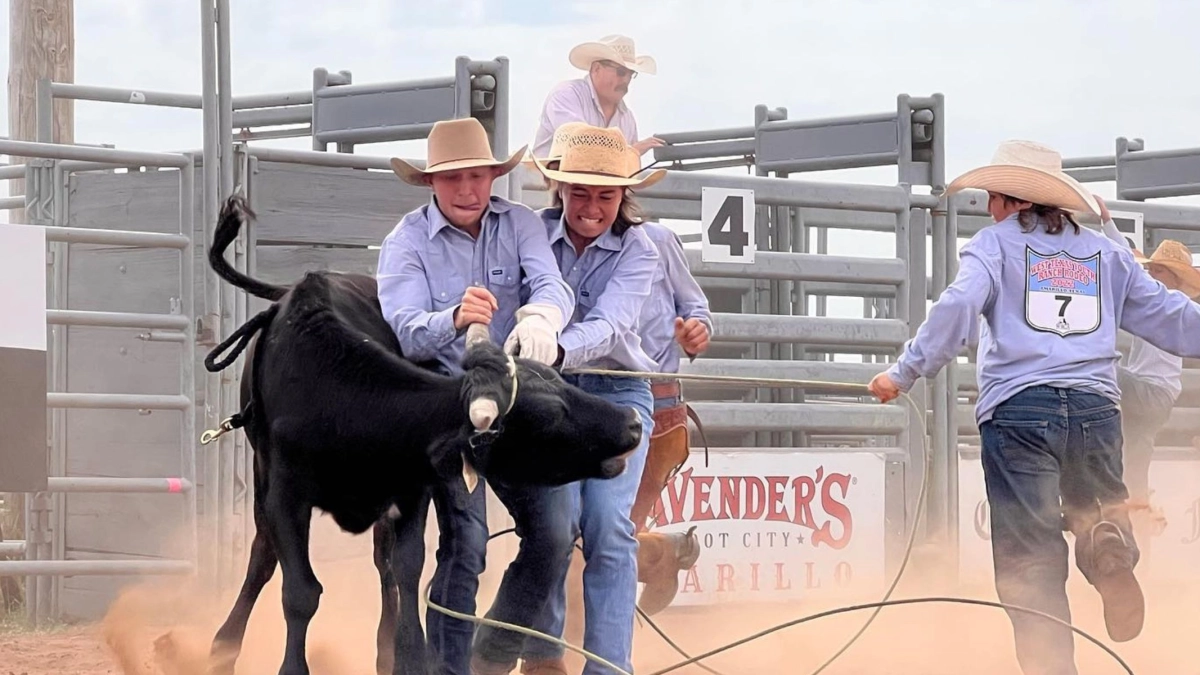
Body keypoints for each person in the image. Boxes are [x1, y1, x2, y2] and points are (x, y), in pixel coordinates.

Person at [867, 140, 1200, 675]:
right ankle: (1106, 545)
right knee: (1096, 511)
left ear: (1007, 199)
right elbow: (1169, 315)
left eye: (991, 199)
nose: (989, 209)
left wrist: (902, 372)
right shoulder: (1104, 253)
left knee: (1032, 560)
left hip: (1019, 411)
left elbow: (957, 306)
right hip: (1095, 407)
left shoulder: (994, 246)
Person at [375, 116, 576, 675]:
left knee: (556, 534)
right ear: (431, 184)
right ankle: (452, 669)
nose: (467, 190)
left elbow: (550, 282)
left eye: (479, 176)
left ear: (493, 177)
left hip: (516, 400)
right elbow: (405, 327)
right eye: (453, 179)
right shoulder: (406, 242)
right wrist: (454, 318)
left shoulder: (520, 224)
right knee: (467, 547)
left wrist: (542, 316)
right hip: (447, 408)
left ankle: (493, 650)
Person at [518, 125, 665, 675]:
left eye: (605, 195)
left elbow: (610, 325)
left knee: (607, 525)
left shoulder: (642, 249)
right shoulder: (531, 233)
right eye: (579, 192)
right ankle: (544, 658)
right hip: (550, 391)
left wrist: (553, 346)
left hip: (617, 392)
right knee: (554, 523)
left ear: (624, 197)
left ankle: (608, 668)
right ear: (560, 190)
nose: (591, 207)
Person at [1096, 200, 1200, 550]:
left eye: (1159, 271)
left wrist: (1108, 222)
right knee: (1134, 470)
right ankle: (1138, 545)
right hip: (1155, 398)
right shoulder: (1179, 308)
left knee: (1092, 362)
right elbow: (1130, 262)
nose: (1152, 275)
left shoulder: (1164, 302)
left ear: (1173, 277)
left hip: (1147, 392)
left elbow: (1129, 265)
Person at [531, 35, 664, 159]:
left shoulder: (627, 118)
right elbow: (580, 146)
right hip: (547, 183)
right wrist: (631, 151)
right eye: (621, 72)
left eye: (631, 74)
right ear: (596, 69)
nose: (626, 80)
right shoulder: (566, 95)